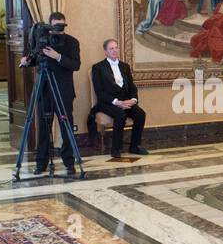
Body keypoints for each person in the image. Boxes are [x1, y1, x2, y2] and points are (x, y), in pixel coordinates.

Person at [19, 12, 81, 175]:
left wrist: (58, 56)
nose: (58, 30)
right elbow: (35, 58)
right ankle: (41, 163)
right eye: (55, 27)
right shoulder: (42, 39)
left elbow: (76, 65)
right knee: (43, 128)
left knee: (66, 127)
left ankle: (69, 162)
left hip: (63, 91)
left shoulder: (72, 42)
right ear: (49, 25)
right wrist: (26, 61)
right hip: (44, 89)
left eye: (61, 26)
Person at [89, 39, 148, 159]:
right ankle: (115, 149)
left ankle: (134, 146)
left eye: (116, 48)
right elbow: (99, 92)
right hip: (107, 102)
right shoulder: (98, 68)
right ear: (105, 51)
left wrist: (133, 100)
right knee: (120, 115)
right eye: (111, 48)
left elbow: (132, 86)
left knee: (140, 114)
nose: (115, 50)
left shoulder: (125, 66)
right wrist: (117, 102)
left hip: (125, 100)